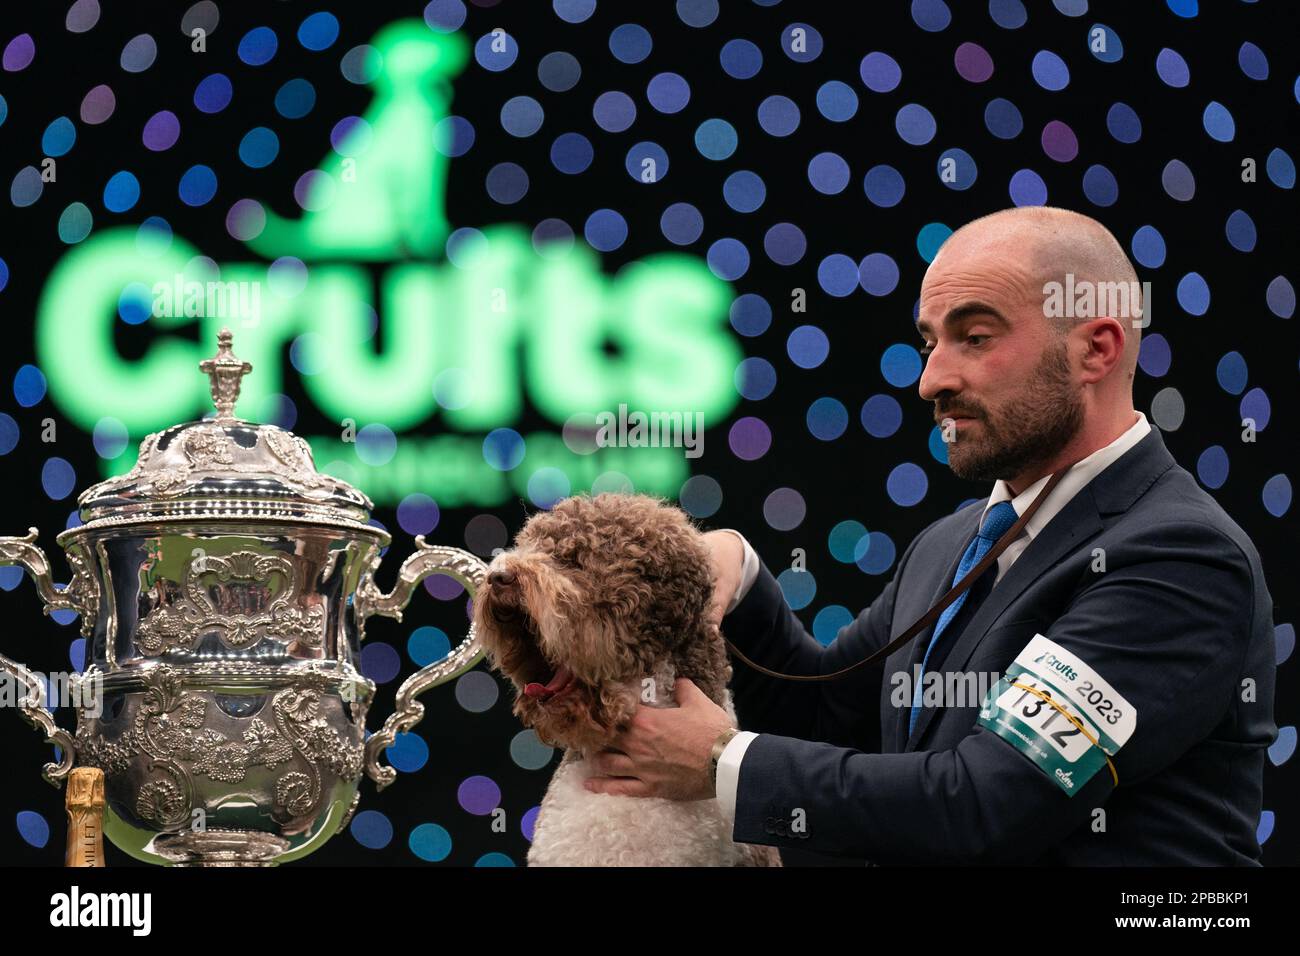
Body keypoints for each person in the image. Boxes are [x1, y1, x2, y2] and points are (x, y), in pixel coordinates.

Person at [583, 206, 1278, 865]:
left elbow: (987, 802)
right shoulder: (950, 543)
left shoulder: (1180, 556)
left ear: (1095, 350)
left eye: (975, 337)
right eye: (929, 340)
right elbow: (826, 716)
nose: (929, 380)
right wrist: (741, 582)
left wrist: (719, 761)